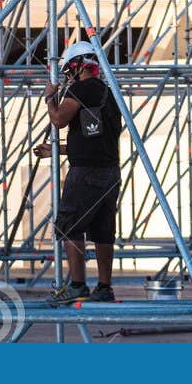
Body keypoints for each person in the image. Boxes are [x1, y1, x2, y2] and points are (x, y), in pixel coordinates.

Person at [37, 40, 123, 304]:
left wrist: (51, 98)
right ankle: (104, 288)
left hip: (86, 173)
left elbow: (59, 120)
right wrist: (60, 151)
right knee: (102, 230)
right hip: (109, 172)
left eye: (69, 70)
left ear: (77, 65)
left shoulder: (80, 88)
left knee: (69, 226)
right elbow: (92, 138)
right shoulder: (108, 94)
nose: (67, 76)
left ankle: (77, 285)